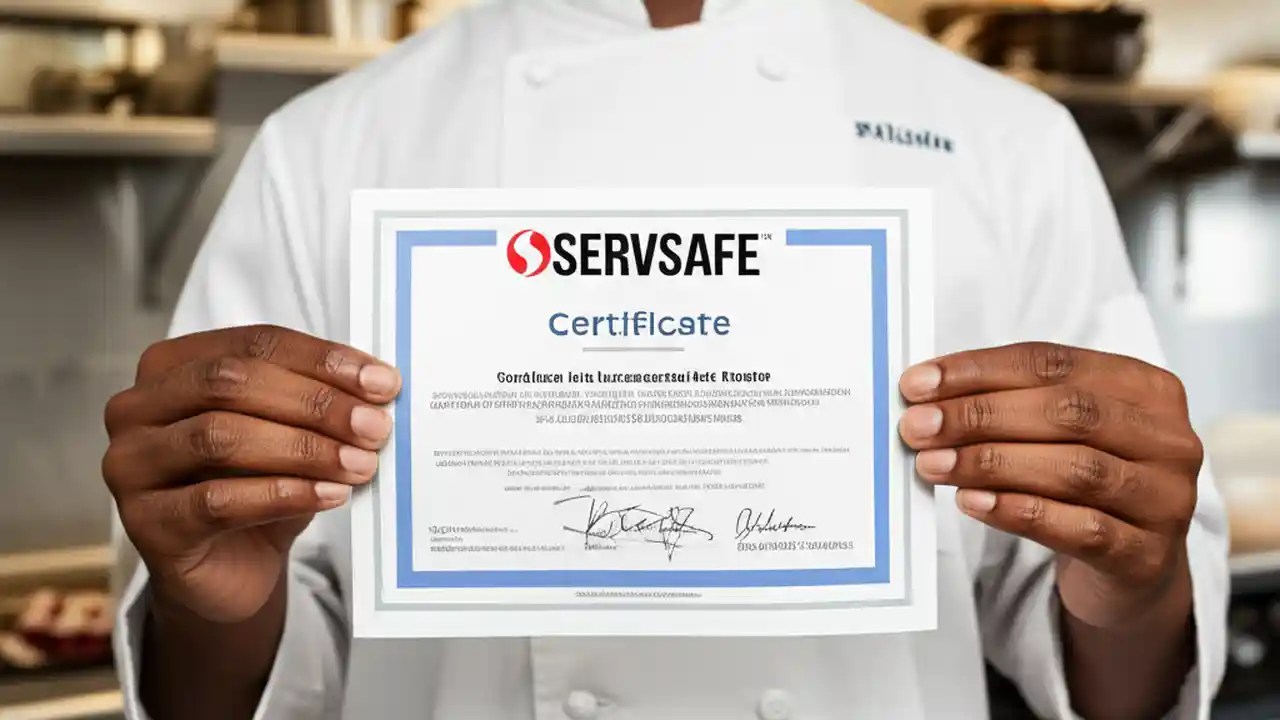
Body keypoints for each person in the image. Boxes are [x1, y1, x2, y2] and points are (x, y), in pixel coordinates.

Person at [103, 0, 1228, 718]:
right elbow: (234, 676)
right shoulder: (330, 147)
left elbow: (1117, 680)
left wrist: (1132, 575)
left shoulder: (1003, 141)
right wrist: (212, 606)